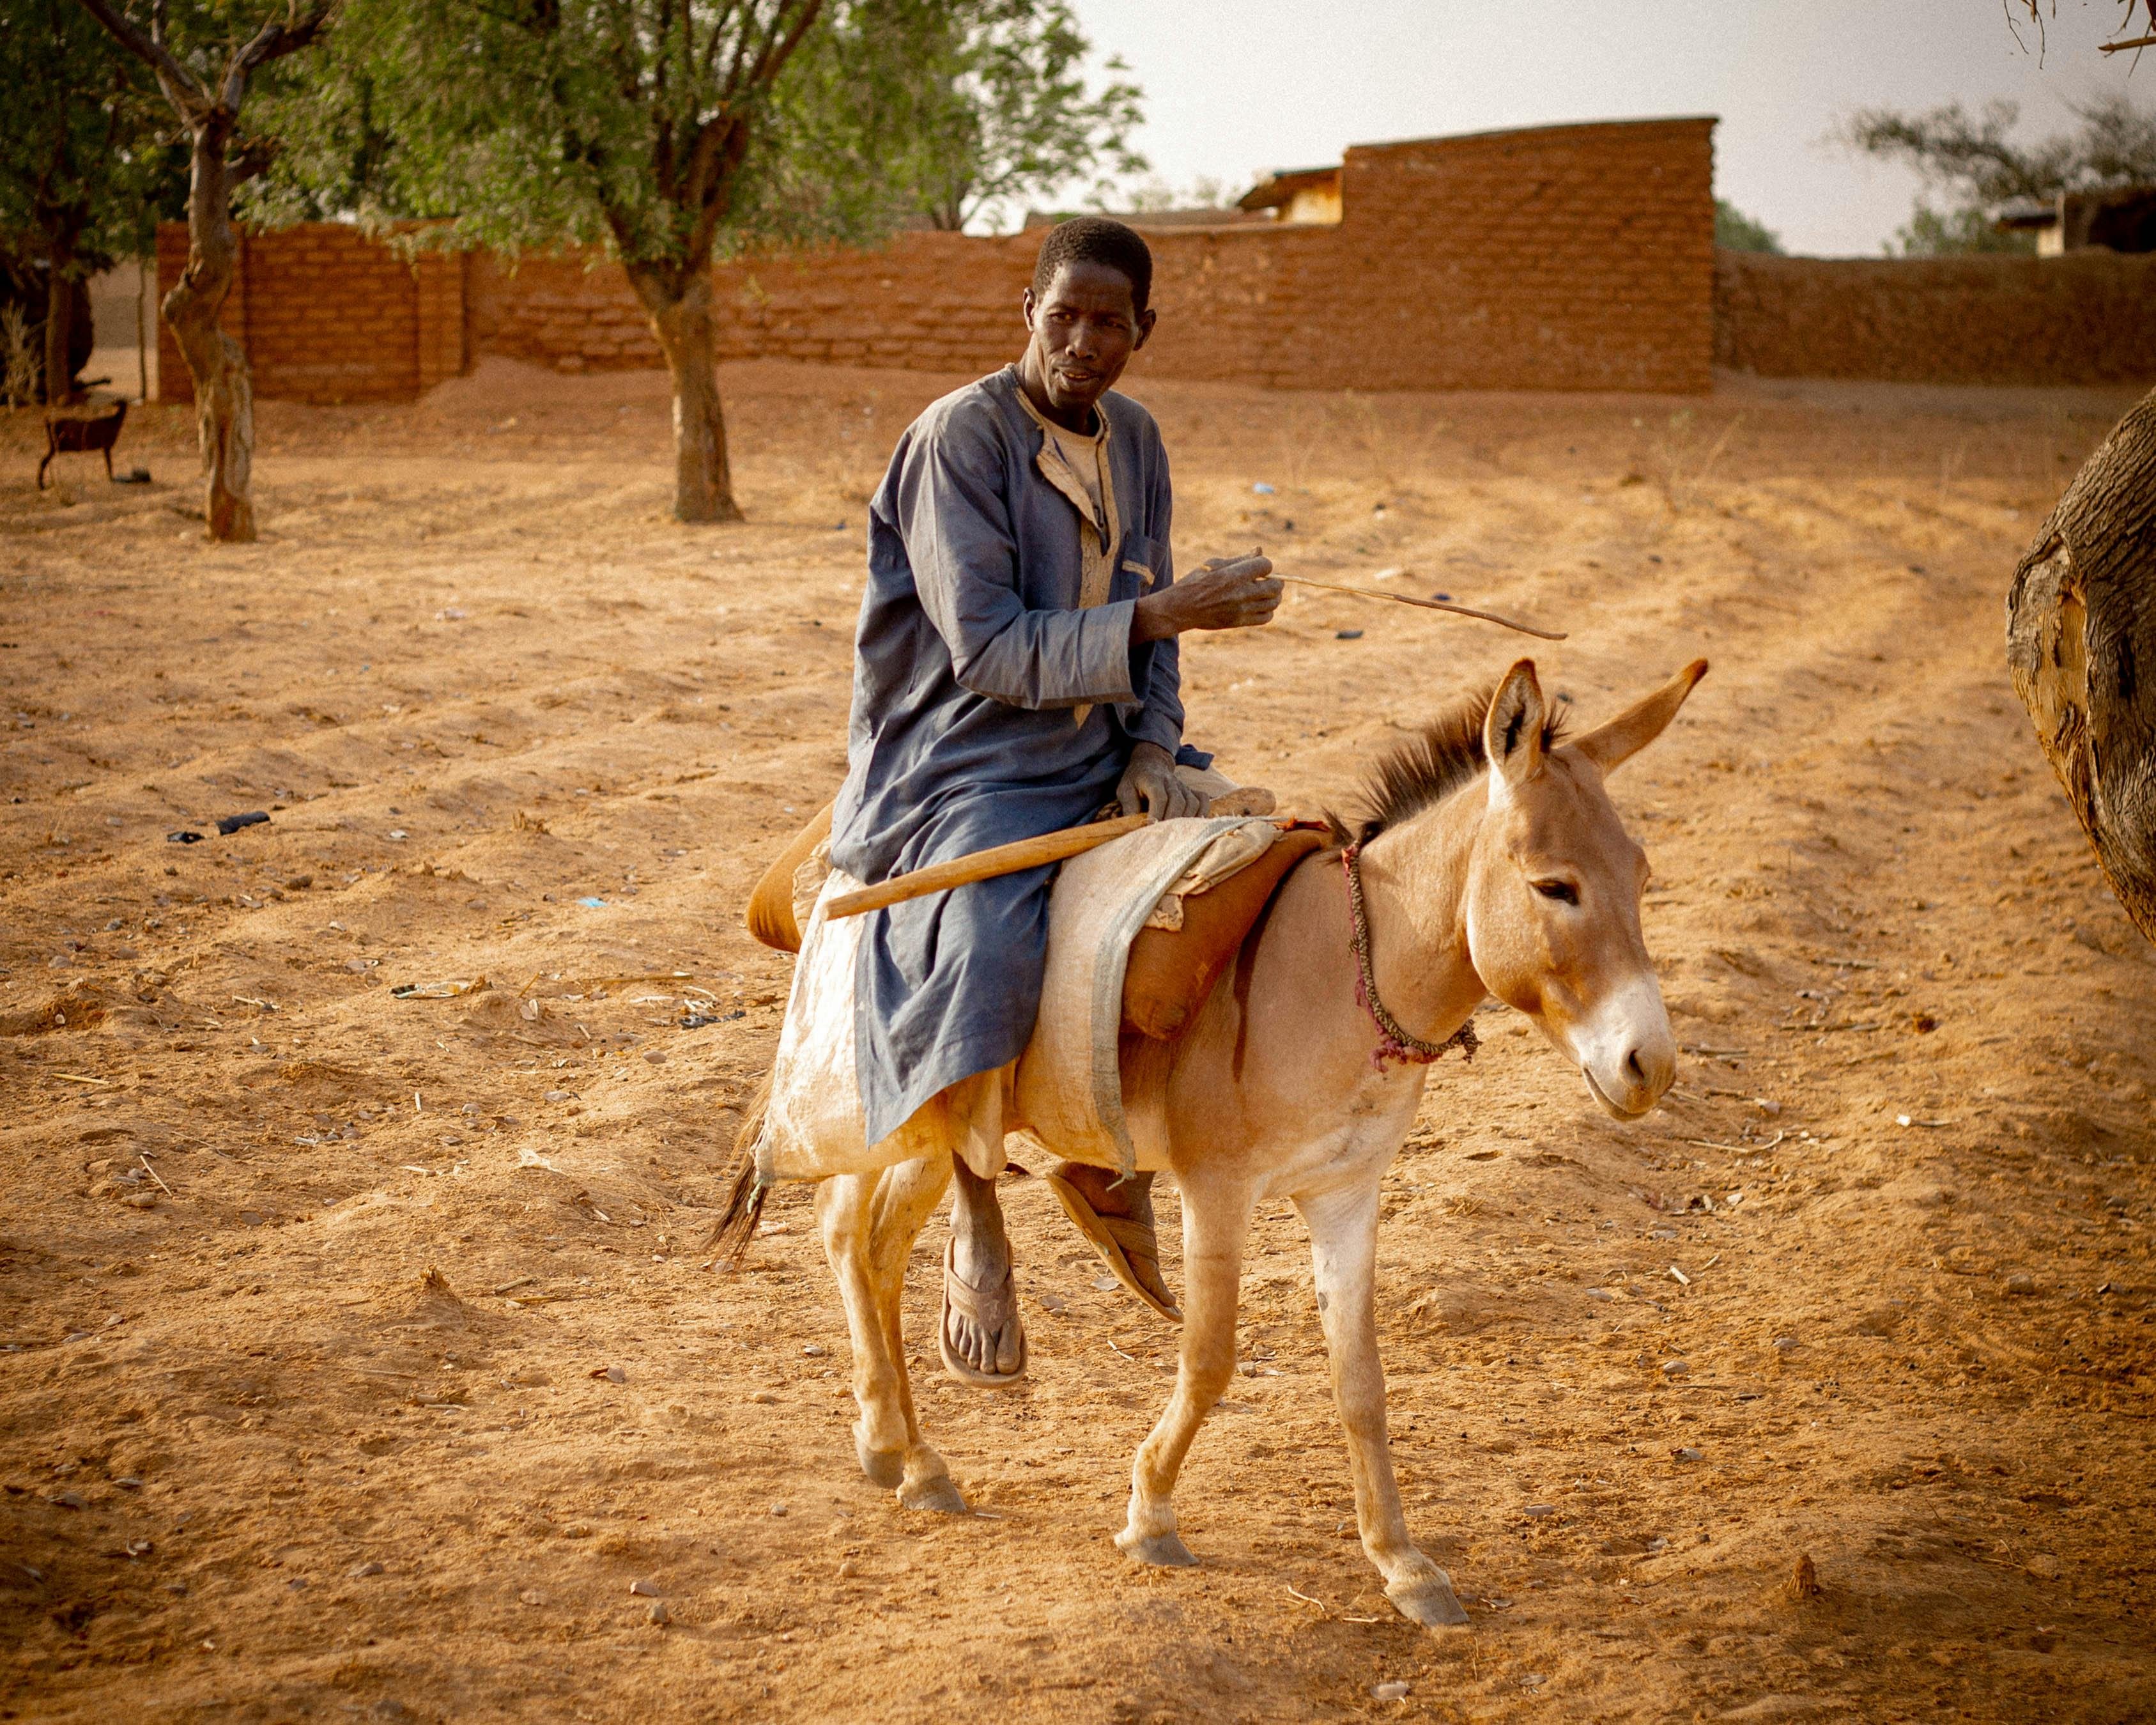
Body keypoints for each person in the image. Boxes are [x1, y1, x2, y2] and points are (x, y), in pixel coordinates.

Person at [829, 215, 1282, 1386]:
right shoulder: (956, 441)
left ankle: (1107, 1151)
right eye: (1063, 314)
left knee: (1257, 864)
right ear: (1024, 310)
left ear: (1144, 331)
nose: (1084, 341)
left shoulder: (1134, 439)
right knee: (978, 942)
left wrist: (1152, 742)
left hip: (1095, 746)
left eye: (1110, 323)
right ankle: (976, 1208)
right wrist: (1161, 617)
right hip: (960, 756)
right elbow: (983, 648)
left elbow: (1153, 615)